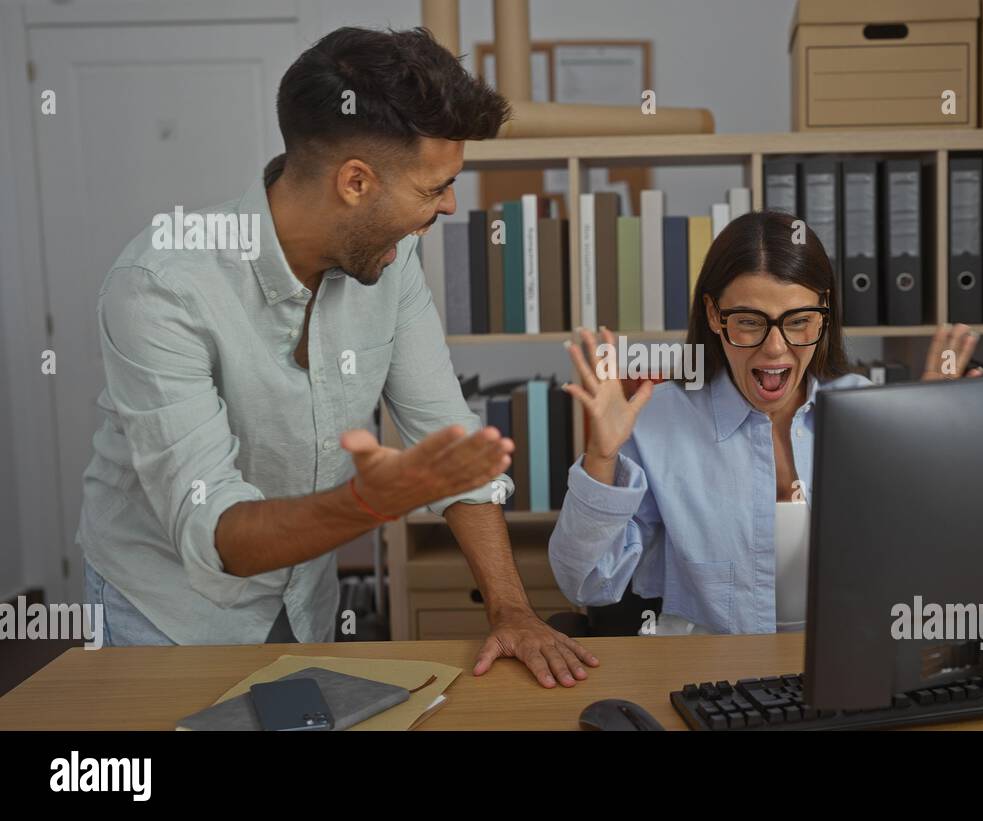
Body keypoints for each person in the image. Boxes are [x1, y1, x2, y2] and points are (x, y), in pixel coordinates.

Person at [79, 27, 596, 688]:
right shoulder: (160, 285)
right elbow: (214, 532)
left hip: (303, 602)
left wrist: (512, 609)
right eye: (434, 187)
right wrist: (370, 501)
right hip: (164, 611)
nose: (449, 205)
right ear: (355, 182)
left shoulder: (393, 255)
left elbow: (446, 431)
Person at [549, 210, 983, 634]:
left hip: (845, 668)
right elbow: (587, 582)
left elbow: (925, 565)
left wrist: (926, 443)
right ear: (715, 315)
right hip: (707, 677)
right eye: (749, 322)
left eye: (798, 322)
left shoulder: (866, 408)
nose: (775, 348)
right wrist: (601, 458)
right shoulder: (657, 420)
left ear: (824, 313)